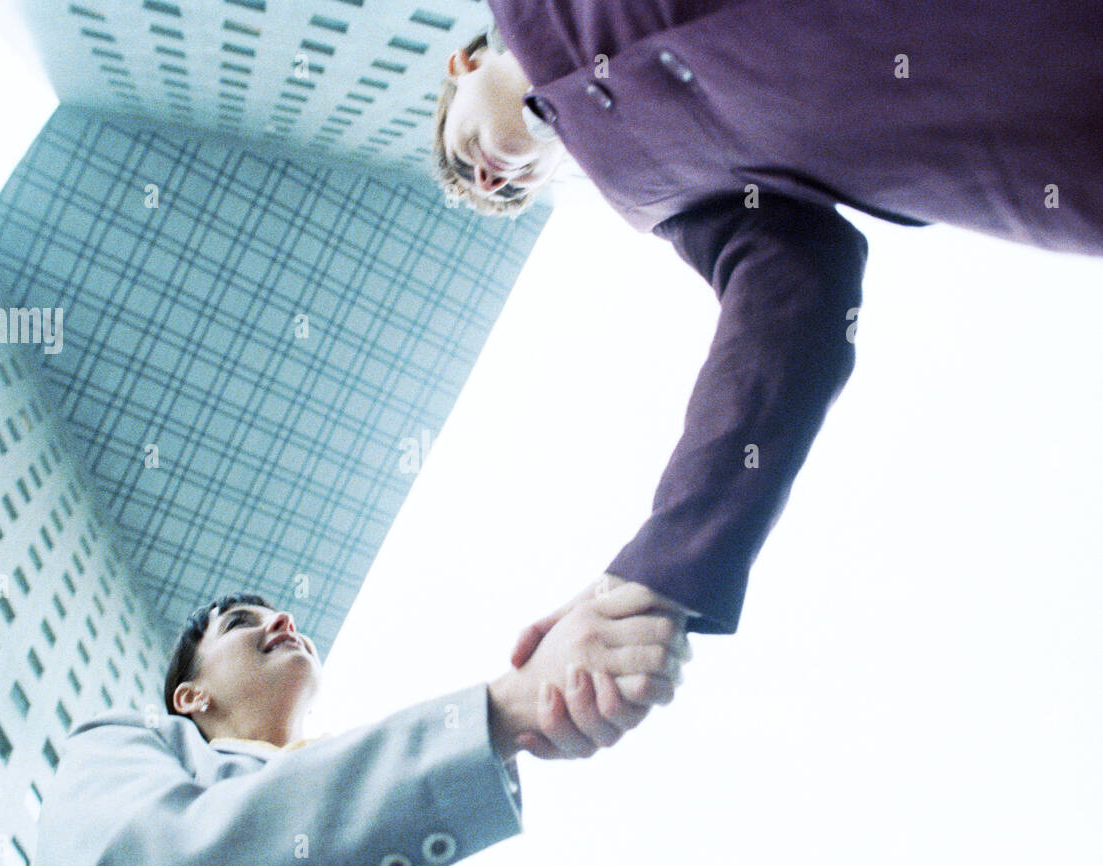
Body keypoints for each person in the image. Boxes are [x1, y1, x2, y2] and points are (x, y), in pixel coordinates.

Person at [431, 2, 1103, 675]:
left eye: (464, 157)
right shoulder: (653, 191)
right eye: (507, 187)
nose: (490, 176)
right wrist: (666, 564)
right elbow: (794, 296)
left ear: (462, 65)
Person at [28, 586, 688, 866]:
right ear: (190, 696)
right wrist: (504, 712)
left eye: (277, 613)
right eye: (240, 622)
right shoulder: (125, 742)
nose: (281, 621)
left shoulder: (428, 865)